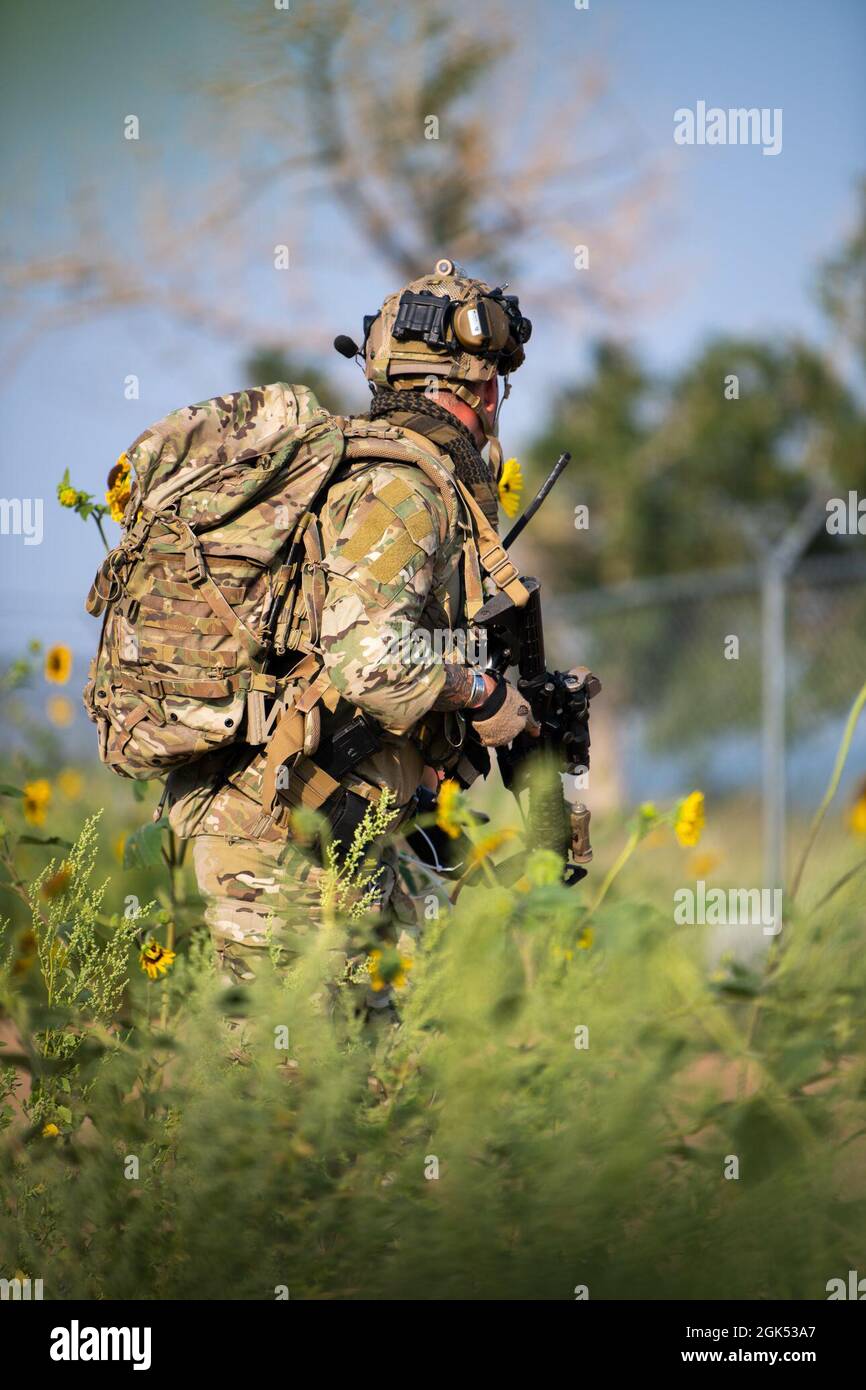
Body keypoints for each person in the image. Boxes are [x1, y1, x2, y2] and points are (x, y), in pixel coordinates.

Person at [165, 259, 538, 994]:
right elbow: (368, 657)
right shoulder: (402, 487)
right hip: (280, 840)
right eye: (493, 383)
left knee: (385, 1078)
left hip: (321, 830)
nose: (496, 404)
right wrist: (480, 694)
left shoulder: (376, 473)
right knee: (283, 1089)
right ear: (475, 390)